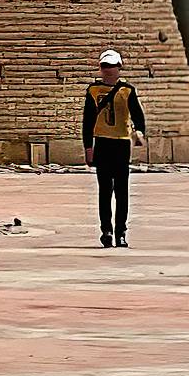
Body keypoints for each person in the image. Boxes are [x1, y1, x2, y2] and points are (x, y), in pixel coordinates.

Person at [83, 47, 146, 249]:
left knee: (121, 190)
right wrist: (88, 147)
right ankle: (106, 231)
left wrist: (139, 133)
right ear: (100, 68)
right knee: (104, 190)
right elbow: (87, 120)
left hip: (121, 142)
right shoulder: (93, 91)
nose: (109, 70)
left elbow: (138, 116)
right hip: (102, 142)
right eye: (105, 66)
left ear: (120, 67)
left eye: (112, 66)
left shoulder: (127, 90)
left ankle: (121, 232)